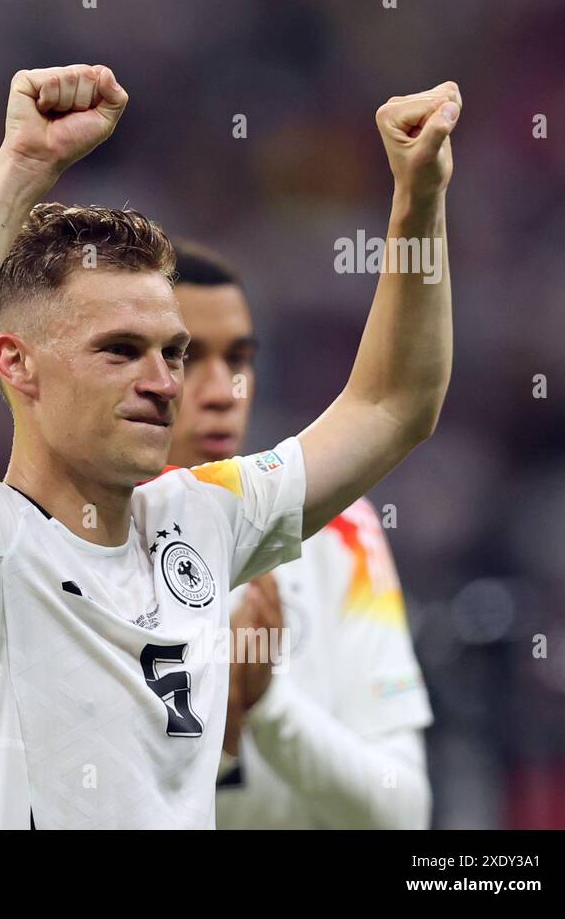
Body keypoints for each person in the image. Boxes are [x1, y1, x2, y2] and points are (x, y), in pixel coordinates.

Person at [0, 63, 460, 828]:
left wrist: (418, 197)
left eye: (171, 352)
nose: (165, 381)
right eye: (120, 350)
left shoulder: (203, 514)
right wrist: (22, 168)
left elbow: (393, 403)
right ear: (15, 364)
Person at [167, 241, 433, 828]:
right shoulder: (74, 539)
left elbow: (403, 811)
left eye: (238, 360)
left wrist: (269, 708)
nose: (221, 393)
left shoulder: (340, 527)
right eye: (185, 359)